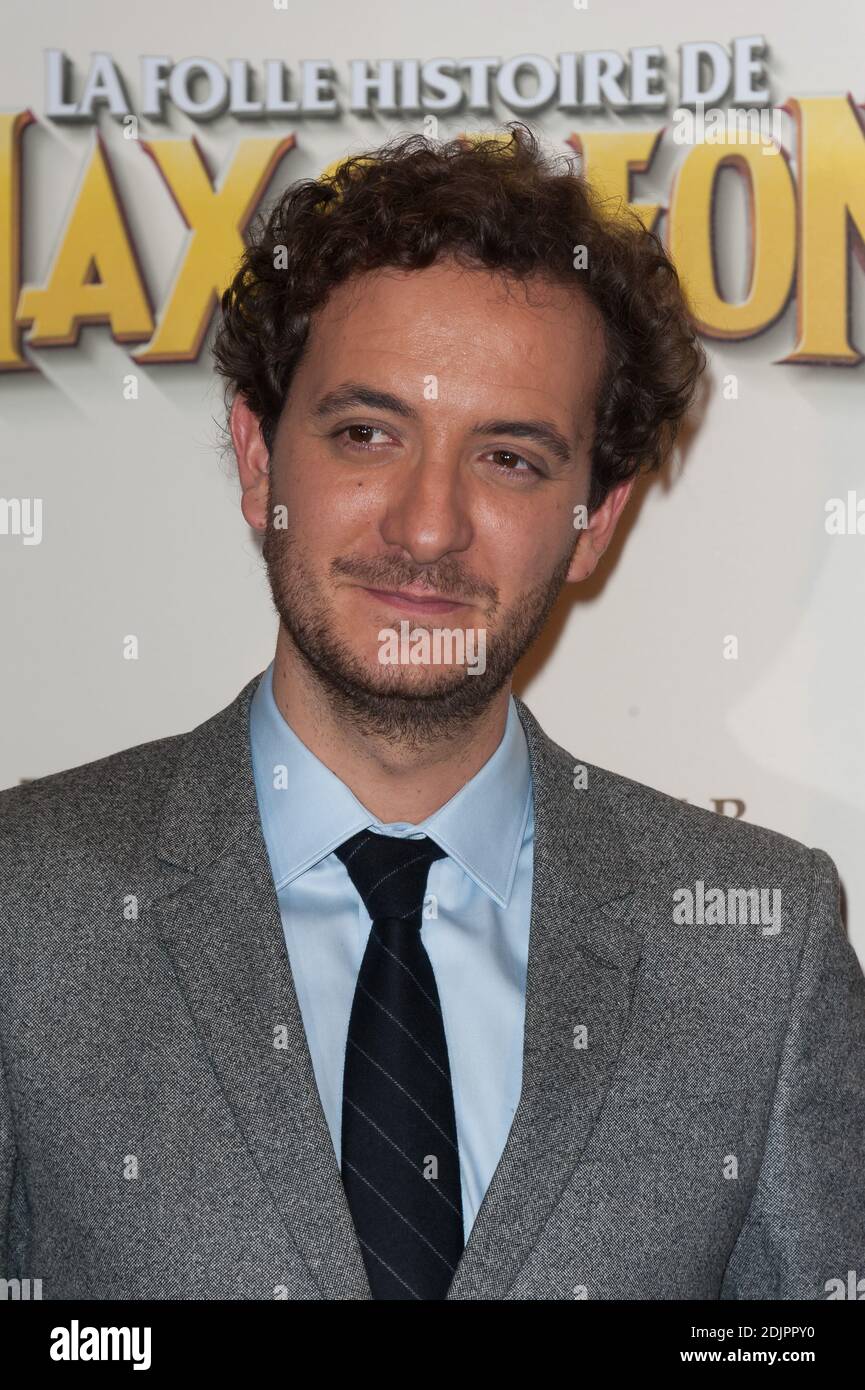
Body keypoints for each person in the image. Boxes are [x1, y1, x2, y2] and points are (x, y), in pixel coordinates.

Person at [1, 125, 863, 1301]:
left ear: (594, 520)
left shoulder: (761, 945)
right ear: (258, 462)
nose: (425, 527)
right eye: (367, 434)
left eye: (508, 458)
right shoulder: (27, 902)